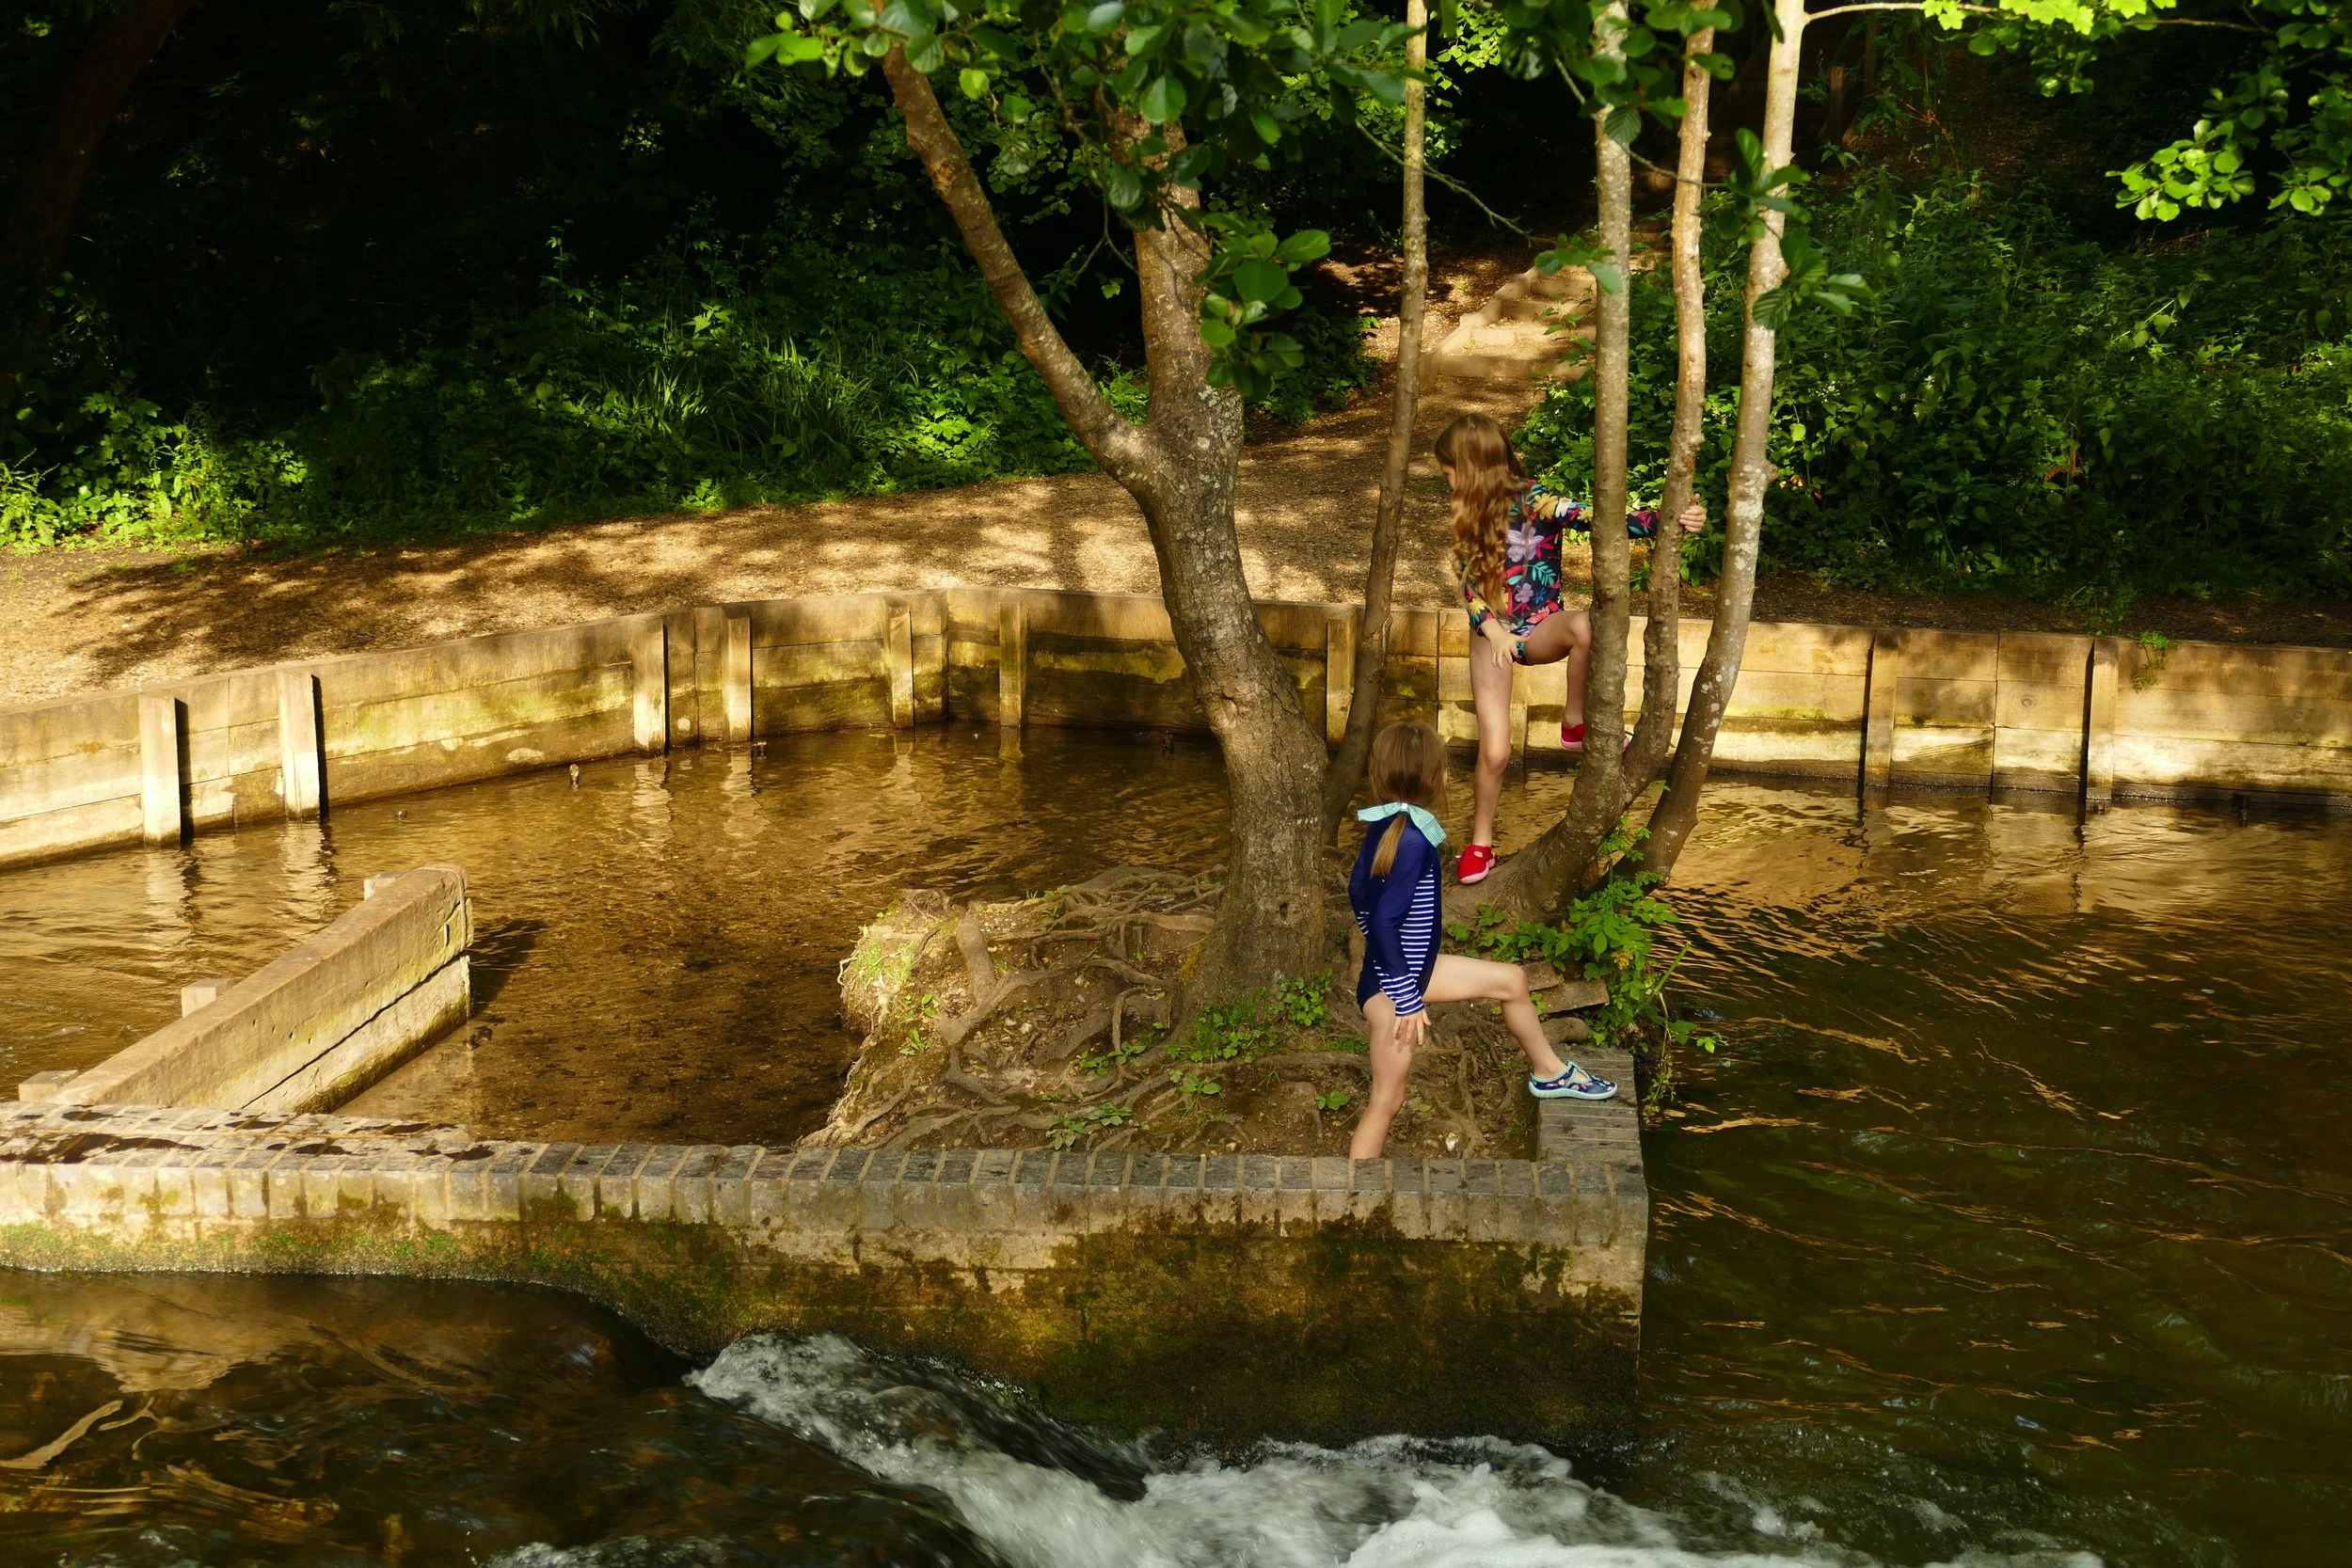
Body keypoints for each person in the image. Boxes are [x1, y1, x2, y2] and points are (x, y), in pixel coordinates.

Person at [1434, 413, 1707, 885]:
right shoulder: (1467, 513)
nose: (1447, 479)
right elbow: (1465, 584)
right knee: (1495, 753)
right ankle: (1481, 844)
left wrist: (1670, 520)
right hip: (1490, 639)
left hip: (1540, 627)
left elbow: (1602, 519)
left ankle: (1574, 722)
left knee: (1587, 626)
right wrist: (1493, 630)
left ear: (1471, 463)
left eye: (1449, 469)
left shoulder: (1534, 498)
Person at [1347, 721, 1616, 1161]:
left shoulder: (1389, 826)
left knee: (1511, 980)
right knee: (1386, 1103)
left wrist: (1401, 972)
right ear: (1435, 780)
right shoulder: (1411, 840)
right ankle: (1352, 1202)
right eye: (1447, 769)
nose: (1451, 776)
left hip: (1413, 972)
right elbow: (1381, 923)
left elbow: (1358, 894)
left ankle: (1550, 1072)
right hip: (1395, 991)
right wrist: (1406, 998)